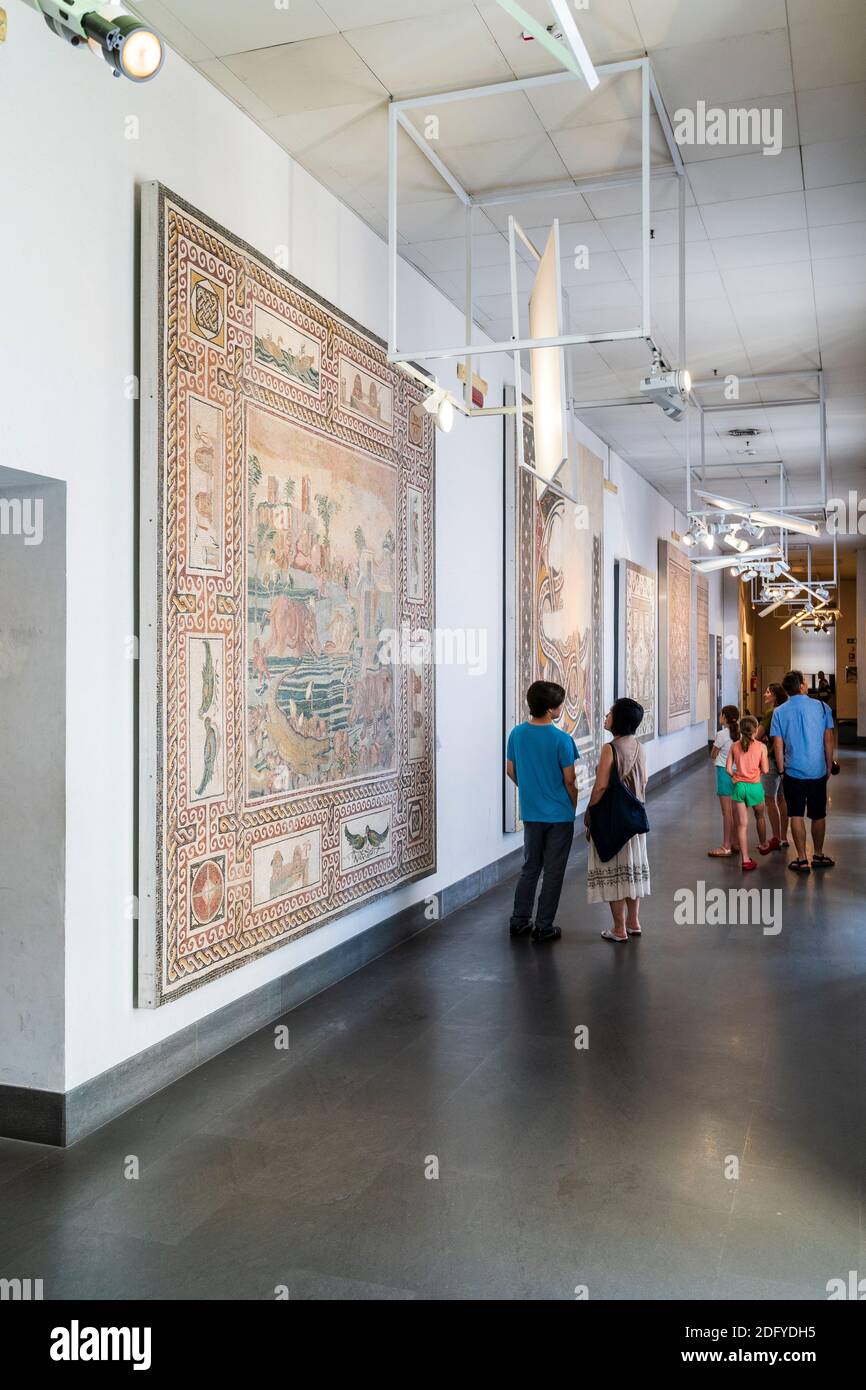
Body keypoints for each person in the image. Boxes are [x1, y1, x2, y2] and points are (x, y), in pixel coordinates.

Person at [506, 680, 578, 943]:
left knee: (530, 867)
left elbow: (510, 770)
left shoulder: (516, 734)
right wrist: (572, 803)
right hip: (559, 814)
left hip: (532, 812)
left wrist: (529, 789)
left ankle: (519, 920)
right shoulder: (562, 739)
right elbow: (569, 780)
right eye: (559, 702)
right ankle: (544, 925)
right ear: (551, 710)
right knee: (554, 870)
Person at [585, 698, 650, 942]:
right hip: (634, 819)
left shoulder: (609, 748)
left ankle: (618, 928)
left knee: (613, 870)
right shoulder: (640, 747)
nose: (606, 716)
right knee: (632, 870)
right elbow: (643, 782)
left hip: (613, 820)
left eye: (610, 713)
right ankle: (633, 922)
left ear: (618, 719)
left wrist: (590, 810)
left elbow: (601, 786)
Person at [771, 669, 836, 874]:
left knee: (796, 814)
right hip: (817, 771)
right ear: (801, 686)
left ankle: (801, 859)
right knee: (818, 815)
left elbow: (778, 745)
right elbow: (828, 740)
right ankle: (818, 854)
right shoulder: (822, 707)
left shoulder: (779, 712)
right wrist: (828, 766)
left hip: (793, 772)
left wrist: (781, 770)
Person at [726, 715, 770, 870]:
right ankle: (763, 844)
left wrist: (736, 776)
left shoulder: (734, 746)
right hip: (755, 787)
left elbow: (728, 769)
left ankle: (745, 860)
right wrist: (755, 773)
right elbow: (765, 769)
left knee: (742, 825)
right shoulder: (761, 747)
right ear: (756, 729)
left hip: (739, 787)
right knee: (760, 817)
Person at [756, 683, 789, 852]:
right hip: (786, 758)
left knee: (770, 799)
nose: (764, 694)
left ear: (775, 696)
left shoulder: (771, 712)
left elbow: (756, 735)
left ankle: (776, 837)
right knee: (782, 799)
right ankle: (784, 837)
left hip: (772, 759)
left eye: (768, 692)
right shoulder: (786, 711)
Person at [708, 705, 739, 857]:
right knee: (734, 811)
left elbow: (713, 754)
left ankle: (726, 846)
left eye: (721, 715)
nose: (720, 717)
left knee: (726, 812)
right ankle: (735, 842)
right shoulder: (740, 734)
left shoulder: (721, 734)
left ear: (725, 717)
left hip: (724, 773)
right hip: (738, 773)